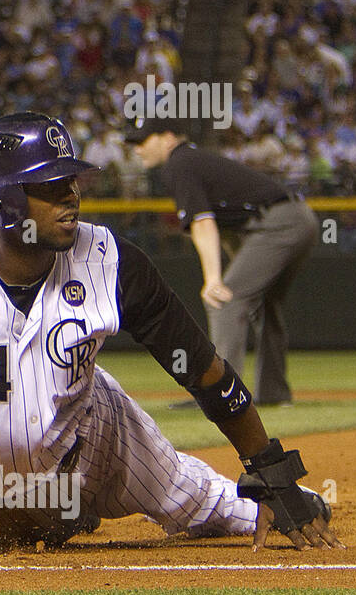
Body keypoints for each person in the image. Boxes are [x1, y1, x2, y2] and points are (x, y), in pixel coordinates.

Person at [0, 112, 339, 552]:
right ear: (1, 200)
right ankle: (21, 519)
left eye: (72, 179)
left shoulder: (111, 262)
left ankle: (244, 501)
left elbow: (203, 370)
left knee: (189, 496)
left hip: (94, 448)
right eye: (50, 185)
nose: (71, 193)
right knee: (11, 513)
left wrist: (270, 470)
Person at [126, 116, 317, 406]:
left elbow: (203, 224)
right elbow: (226, 225)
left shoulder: (179, 163)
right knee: (264, 304)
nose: (138, 149)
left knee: (223, 299)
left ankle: (224, 395)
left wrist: (214, 279)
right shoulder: (191, 160)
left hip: (279, 224)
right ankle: (274, 394)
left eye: (143, 141)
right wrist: (234, 268)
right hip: (296, 220)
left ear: (167, 138)